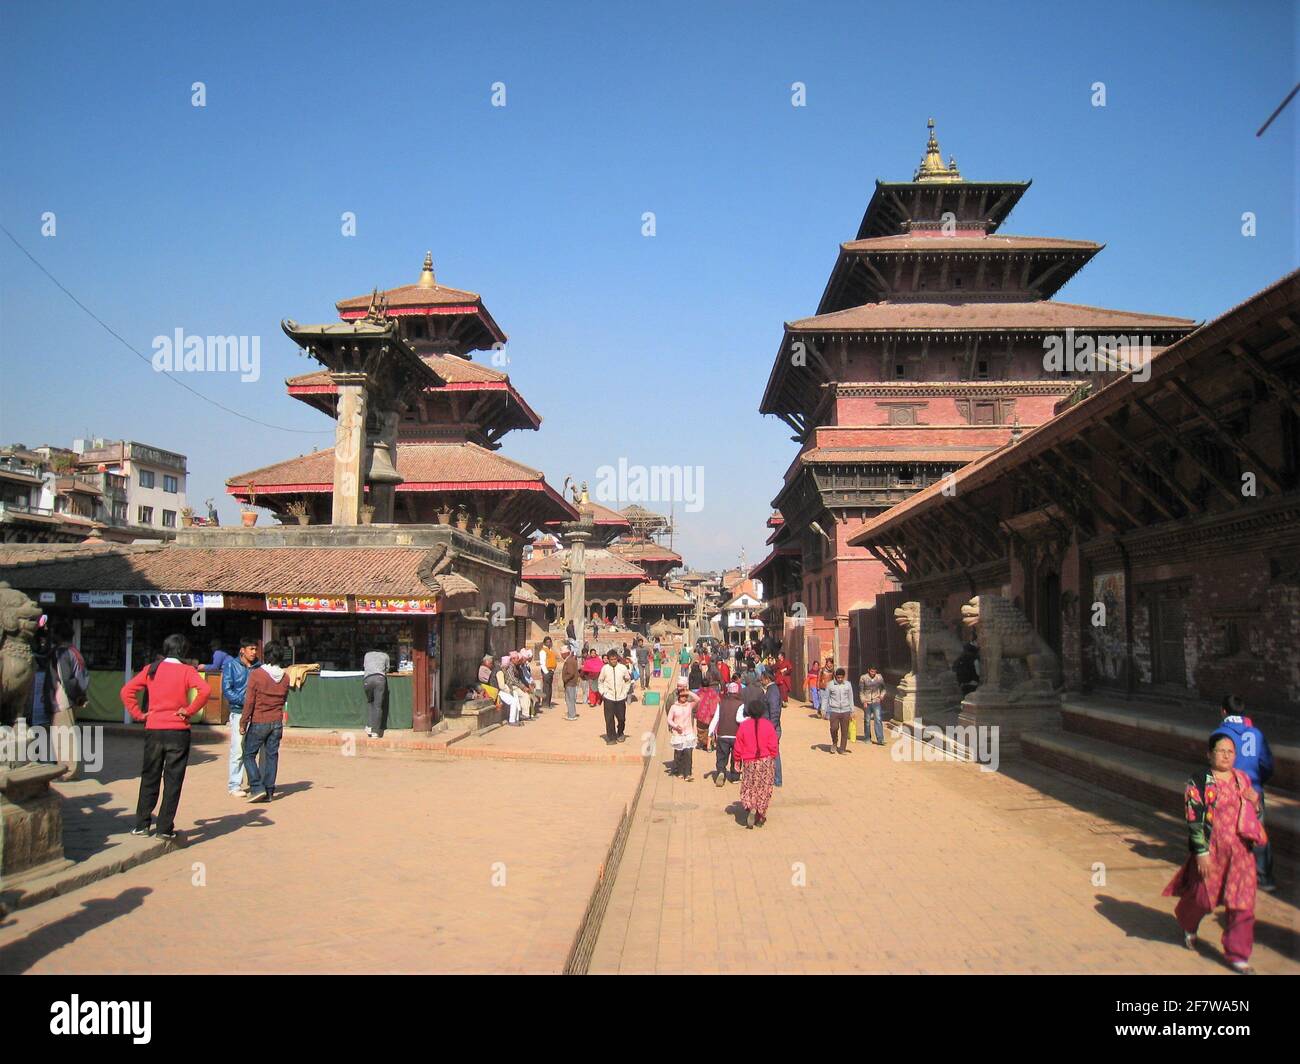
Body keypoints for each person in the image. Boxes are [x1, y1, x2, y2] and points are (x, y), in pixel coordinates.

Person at [1162, 732, 1264, 974]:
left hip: (1241, 853)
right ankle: (1187, 922)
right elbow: (1194, 820)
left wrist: (1255, 802)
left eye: (1230, 751)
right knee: (1203, 899)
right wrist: (1201, 853)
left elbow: (1253, 814)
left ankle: (1237, 954)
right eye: (1221, 750)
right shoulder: (1198, 781)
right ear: (1209, 754)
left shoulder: (1242, 779)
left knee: (1242, 904)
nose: (1226, 755)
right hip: (1212, 850)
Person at [121, 633, 210, 841]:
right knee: (173, 780)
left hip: (154, 728)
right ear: (184, 651)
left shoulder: (152, 669)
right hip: (178, 730)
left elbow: (126, 691)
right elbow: (205, 690)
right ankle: (164, 827)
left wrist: (138, 714)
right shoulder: (187, 670)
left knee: (149, 776)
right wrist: (189, 710)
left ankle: (142, 825)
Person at [1213, 696, 1275, 892]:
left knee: (1229, 834)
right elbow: (1267, 764)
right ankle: (1264, 877)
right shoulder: (1256, 734)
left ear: (1223, 711)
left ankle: (1233, 877)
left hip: (1230, 791)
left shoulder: (1219, 734)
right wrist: (1257, 781)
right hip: (1253, 790)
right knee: (1257, 830)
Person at [242, 640, 290, 803]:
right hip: (276, 721)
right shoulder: (285, 677)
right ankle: (269, 790)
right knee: (272, 756)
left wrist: (243, 722)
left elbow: (249, 702)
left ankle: (256, 787)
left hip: (260, 720)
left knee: (248, 754)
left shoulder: (256, 674)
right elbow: (284, 699)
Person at [46, 620, 89, 779]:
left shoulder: (62, 653)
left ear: (57, 636)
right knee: (66, 734)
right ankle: (67, 770)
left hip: (62, 700)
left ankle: (67, 772)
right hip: (69, 700)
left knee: (63, 736)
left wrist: (75, 697)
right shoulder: (74, 651)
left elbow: (67, 680)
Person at [221, 637, 260, 797]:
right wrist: (245, 702)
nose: (254, 652)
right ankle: (234, 785)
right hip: (238, 713)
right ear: (242, 650)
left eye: (255, 649)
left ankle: (255, 782)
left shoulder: (259, 666)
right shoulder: (231, 665)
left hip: (256, 714)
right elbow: (227, 690)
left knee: (253, 750)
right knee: (238, 749)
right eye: (251, 649)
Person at [734, 696, 779, 828]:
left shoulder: (743, 726)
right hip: (765, 761)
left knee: (749, 786)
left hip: (749, 761)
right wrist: (773, 757)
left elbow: (738, 745)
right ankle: (760, 814)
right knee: (764, 788)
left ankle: (750, 806)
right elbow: (773, 744)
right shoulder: (769, 725)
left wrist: (737, 759)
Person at [708, 680, 746, 786]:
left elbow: (716, 718)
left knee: (721, 755)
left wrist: (710, 733)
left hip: (722, 734)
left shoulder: (721, 703)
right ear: (737, 692)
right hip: (736, 735)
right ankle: (735, 776)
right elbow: (742, 719)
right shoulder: (741, 704)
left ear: (728, 692)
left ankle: (721, 771)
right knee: (736, 756)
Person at [598, 649, 632, 744]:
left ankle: (620, 733)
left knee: (621, 718)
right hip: (609, 697)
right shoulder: (605, 669)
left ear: (617, 659)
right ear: (608, 660)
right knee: (609, 719)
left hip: (620, 698)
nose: (613, 661)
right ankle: (611, 738)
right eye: (611, 659)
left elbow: (628, 681)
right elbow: (600, 681)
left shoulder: (623, 668)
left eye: (615, 659)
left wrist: (625, 692)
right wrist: (603, 693)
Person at [667, 680, 698, 781]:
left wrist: (688, 692)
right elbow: (669, 719)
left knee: (688, 753)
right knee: (679, 753)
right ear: (679, 697)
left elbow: (698, 699)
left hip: (688, 733)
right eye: (682, 696)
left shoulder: (689, 705)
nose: (684, 698)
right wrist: (675, 726)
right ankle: (680, 771)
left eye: (685, 696)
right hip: (678, 734)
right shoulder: (674, 707)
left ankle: (687, 774)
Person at [758, 672, 783, 787]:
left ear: (767, 679)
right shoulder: (771, 690)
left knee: (774, 753)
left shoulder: (772, 691)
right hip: (769, 726)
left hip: (772, 727)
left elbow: (774, 712)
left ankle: (777, 779)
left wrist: (771, 728)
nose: (761, 681)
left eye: (762, 679)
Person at [825, 668, 854, 754]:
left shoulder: (848, 685)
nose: (840, 679)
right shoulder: (830, 685)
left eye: (841, 677)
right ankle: (834, 742)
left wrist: (852, 711)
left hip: (846, 710)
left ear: (844, 677)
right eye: (838, 677)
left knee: (844, 730)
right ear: (835, 677)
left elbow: (850, 698)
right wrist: (824, 710)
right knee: (834, 728)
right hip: (834, 710)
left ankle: (842, 748)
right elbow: (826, 698)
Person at [362, 646, 390, 739]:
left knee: (370, 702)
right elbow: (387, 669)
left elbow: (365, 666)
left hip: (367, 679)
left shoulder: (367, 655)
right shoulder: (385, 656)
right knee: (378, 706)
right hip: (380, 679)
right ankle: (375, 731)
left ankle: (369, 726)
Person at [858, 665, 886, 746]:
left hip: (876, 700)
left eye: (874, 671)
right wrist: (863, 701)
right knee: (867, 720)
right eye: (871, 671)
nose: (873, 673)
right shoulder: (863, 678)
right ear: (868, 670)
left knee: (878, 719)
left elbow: (883, 689)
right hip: (867, 701)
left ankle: (880, 739)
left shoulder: (879, 677)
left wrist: (881, 696)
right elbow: (861, 691)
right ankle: (867, 738)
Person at [495, 656, 523, 726]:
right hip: (499, 692)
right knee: (513, 701)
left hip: (504, 691)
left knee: (515, 696)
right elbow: (501, 686)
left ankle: (517, 718)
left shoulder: (503, 671)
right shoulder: (500, 672)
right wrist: (508, 690)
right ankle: (512, 720)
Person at [560, 645, 581, 721]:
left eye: (562, 654)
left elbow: (571, 673)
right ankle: (571, 713)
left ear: (566, 653)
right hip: (571, 683)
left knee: (569, 700)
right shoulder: (571, 659)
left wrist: (565, 679)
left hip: (570, 683)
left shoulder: (569, 661)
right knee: (570, 699)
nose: (561, 655)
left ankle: (571, 715)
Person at [539, 637, 557, 708]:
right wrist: (546, 673)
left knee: (549, 687)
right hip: (546, 671)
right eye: (547, 642)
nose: (549, 643)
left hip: (551, 670)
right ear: (544, 643)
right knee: (546, 687)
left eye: (550, 642)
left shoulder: (550, 650)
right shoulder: (543, 651)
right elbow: (542, 663)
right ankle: (545, 703)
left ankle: (548, 703)